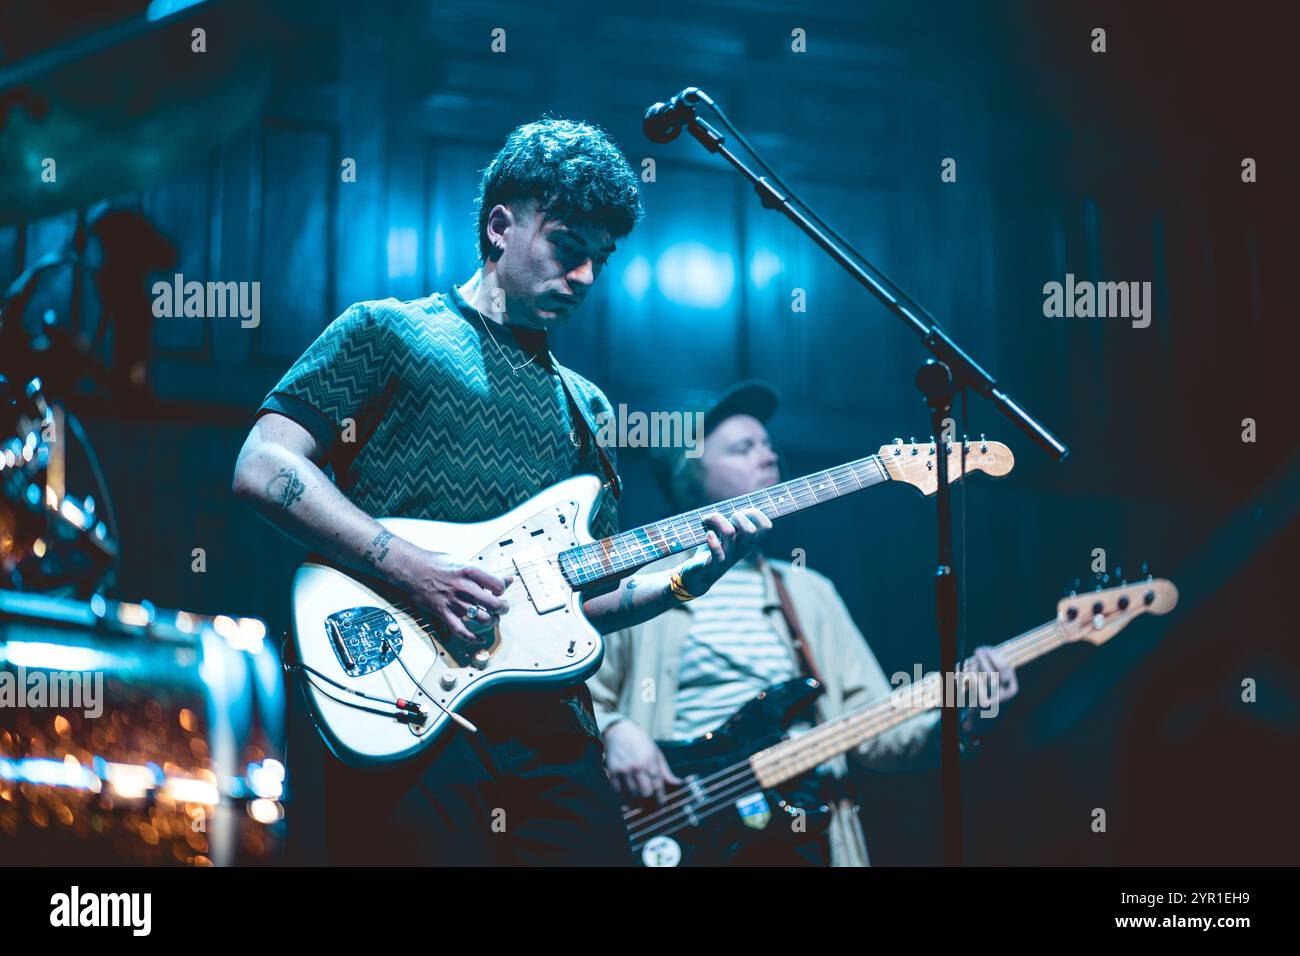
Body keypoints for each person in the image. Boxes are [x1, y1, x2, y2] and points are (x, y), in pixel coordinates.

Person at [232, 119, 771, 865]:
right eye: (568, 249)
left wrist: (685, 581)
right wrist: (411, 566)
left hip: (553, 737)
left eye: (600, 261)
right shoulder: (390, 332)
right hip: (409, 703)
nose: (584, 278)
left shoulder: (589, 407)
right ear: (500, 227)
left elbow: (585, 601)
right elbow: (263, 465)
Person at [588, 381, 1019, 865]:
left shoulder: (810, 593)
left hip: (798, 835)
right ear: (689, 472)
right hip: (673, 828)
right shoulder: (641, 587)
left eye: (769, 445)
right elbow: (576, 698)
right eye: (742, 447)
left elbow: (878, 731)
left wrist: (963, 717)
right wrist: (617, 731)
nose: (768, 456)